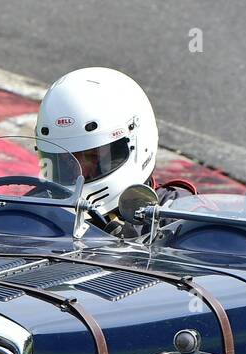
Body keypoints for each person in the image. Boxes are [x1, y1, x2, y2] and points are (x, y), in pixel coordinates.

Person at [36, 67, 196, 232]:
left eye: (91, 156)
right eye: (66, 159)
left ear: (137, 143)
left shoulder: (174, 213)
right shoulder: (34, 209)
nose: (79, 171)